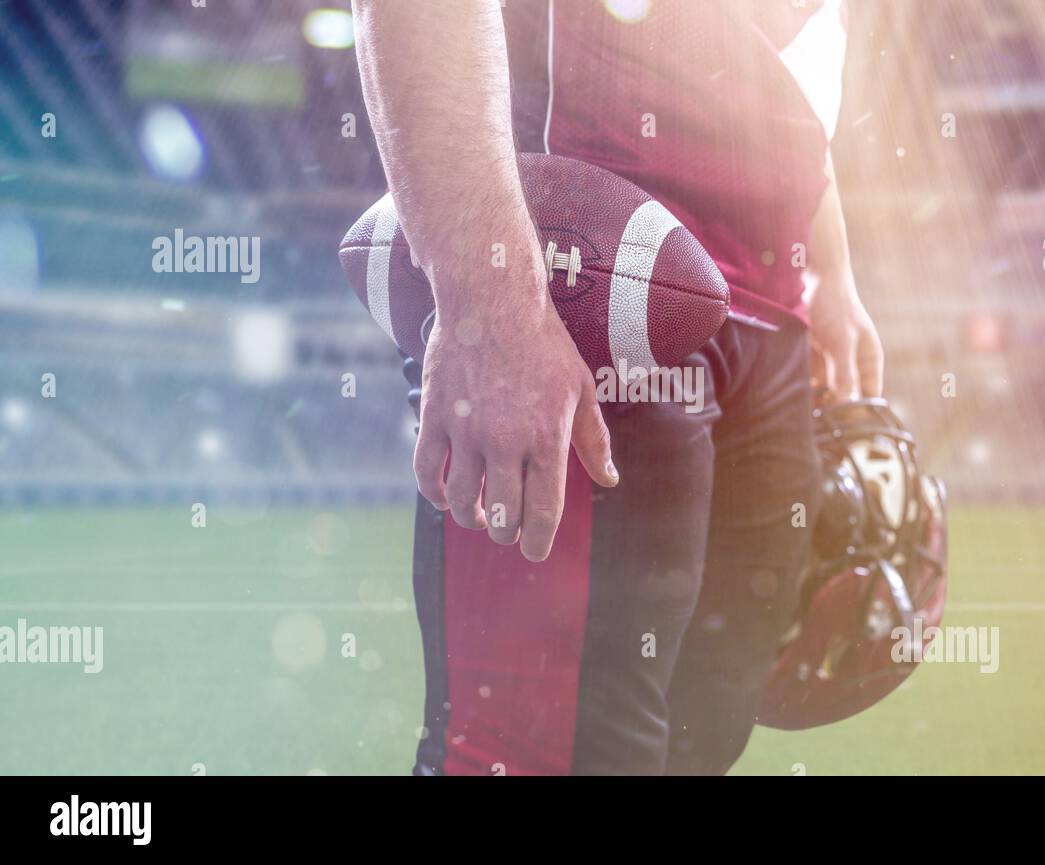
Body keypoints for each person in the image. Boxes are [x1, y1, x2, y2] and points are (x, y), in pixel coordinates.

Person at [351, 0, 884, 775]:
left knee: (699, 735)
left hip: (769, 300)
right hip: (596, 255)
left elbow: (794, 51)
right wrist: (490, 299)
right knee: (535, 756)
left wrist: (830, 268)